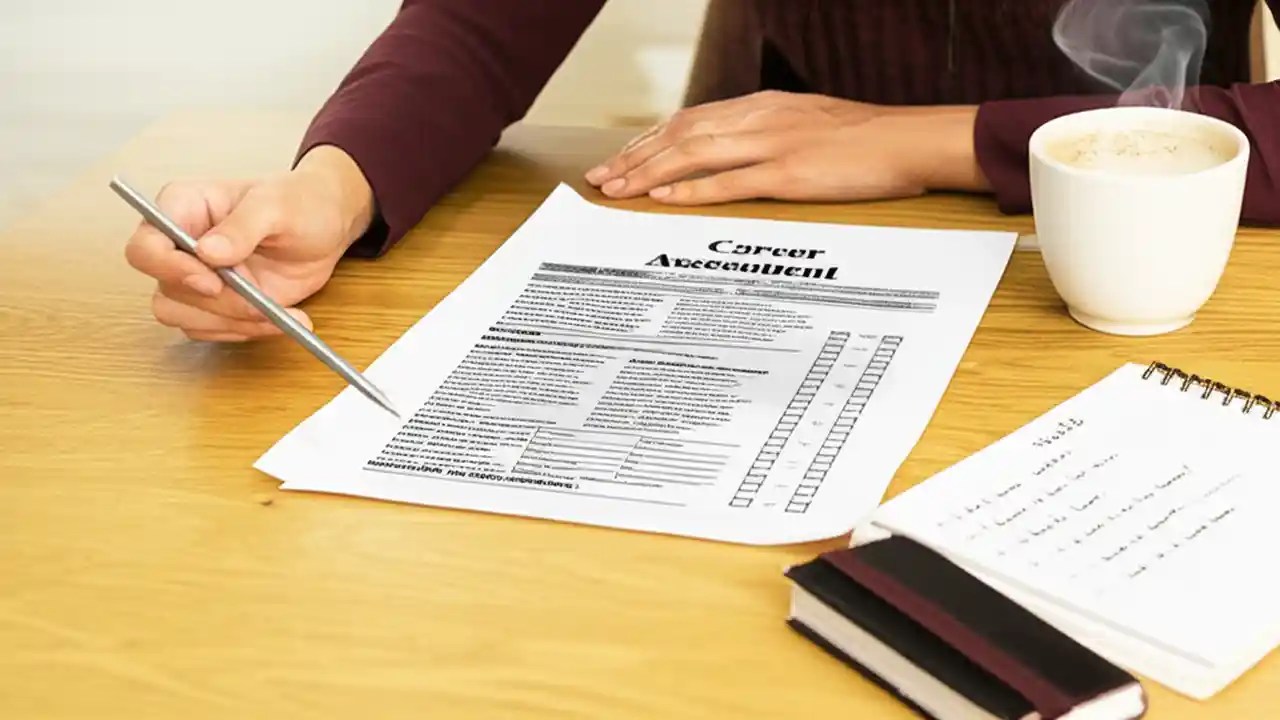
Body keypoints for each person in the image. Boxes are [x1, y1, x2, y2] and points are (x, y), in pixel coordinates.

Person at [125, 0, 1280, 342]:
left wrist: (915, 137)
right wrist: (334, 187)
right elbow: (485, 24)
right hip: (759, 191)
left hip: (1150, 224)